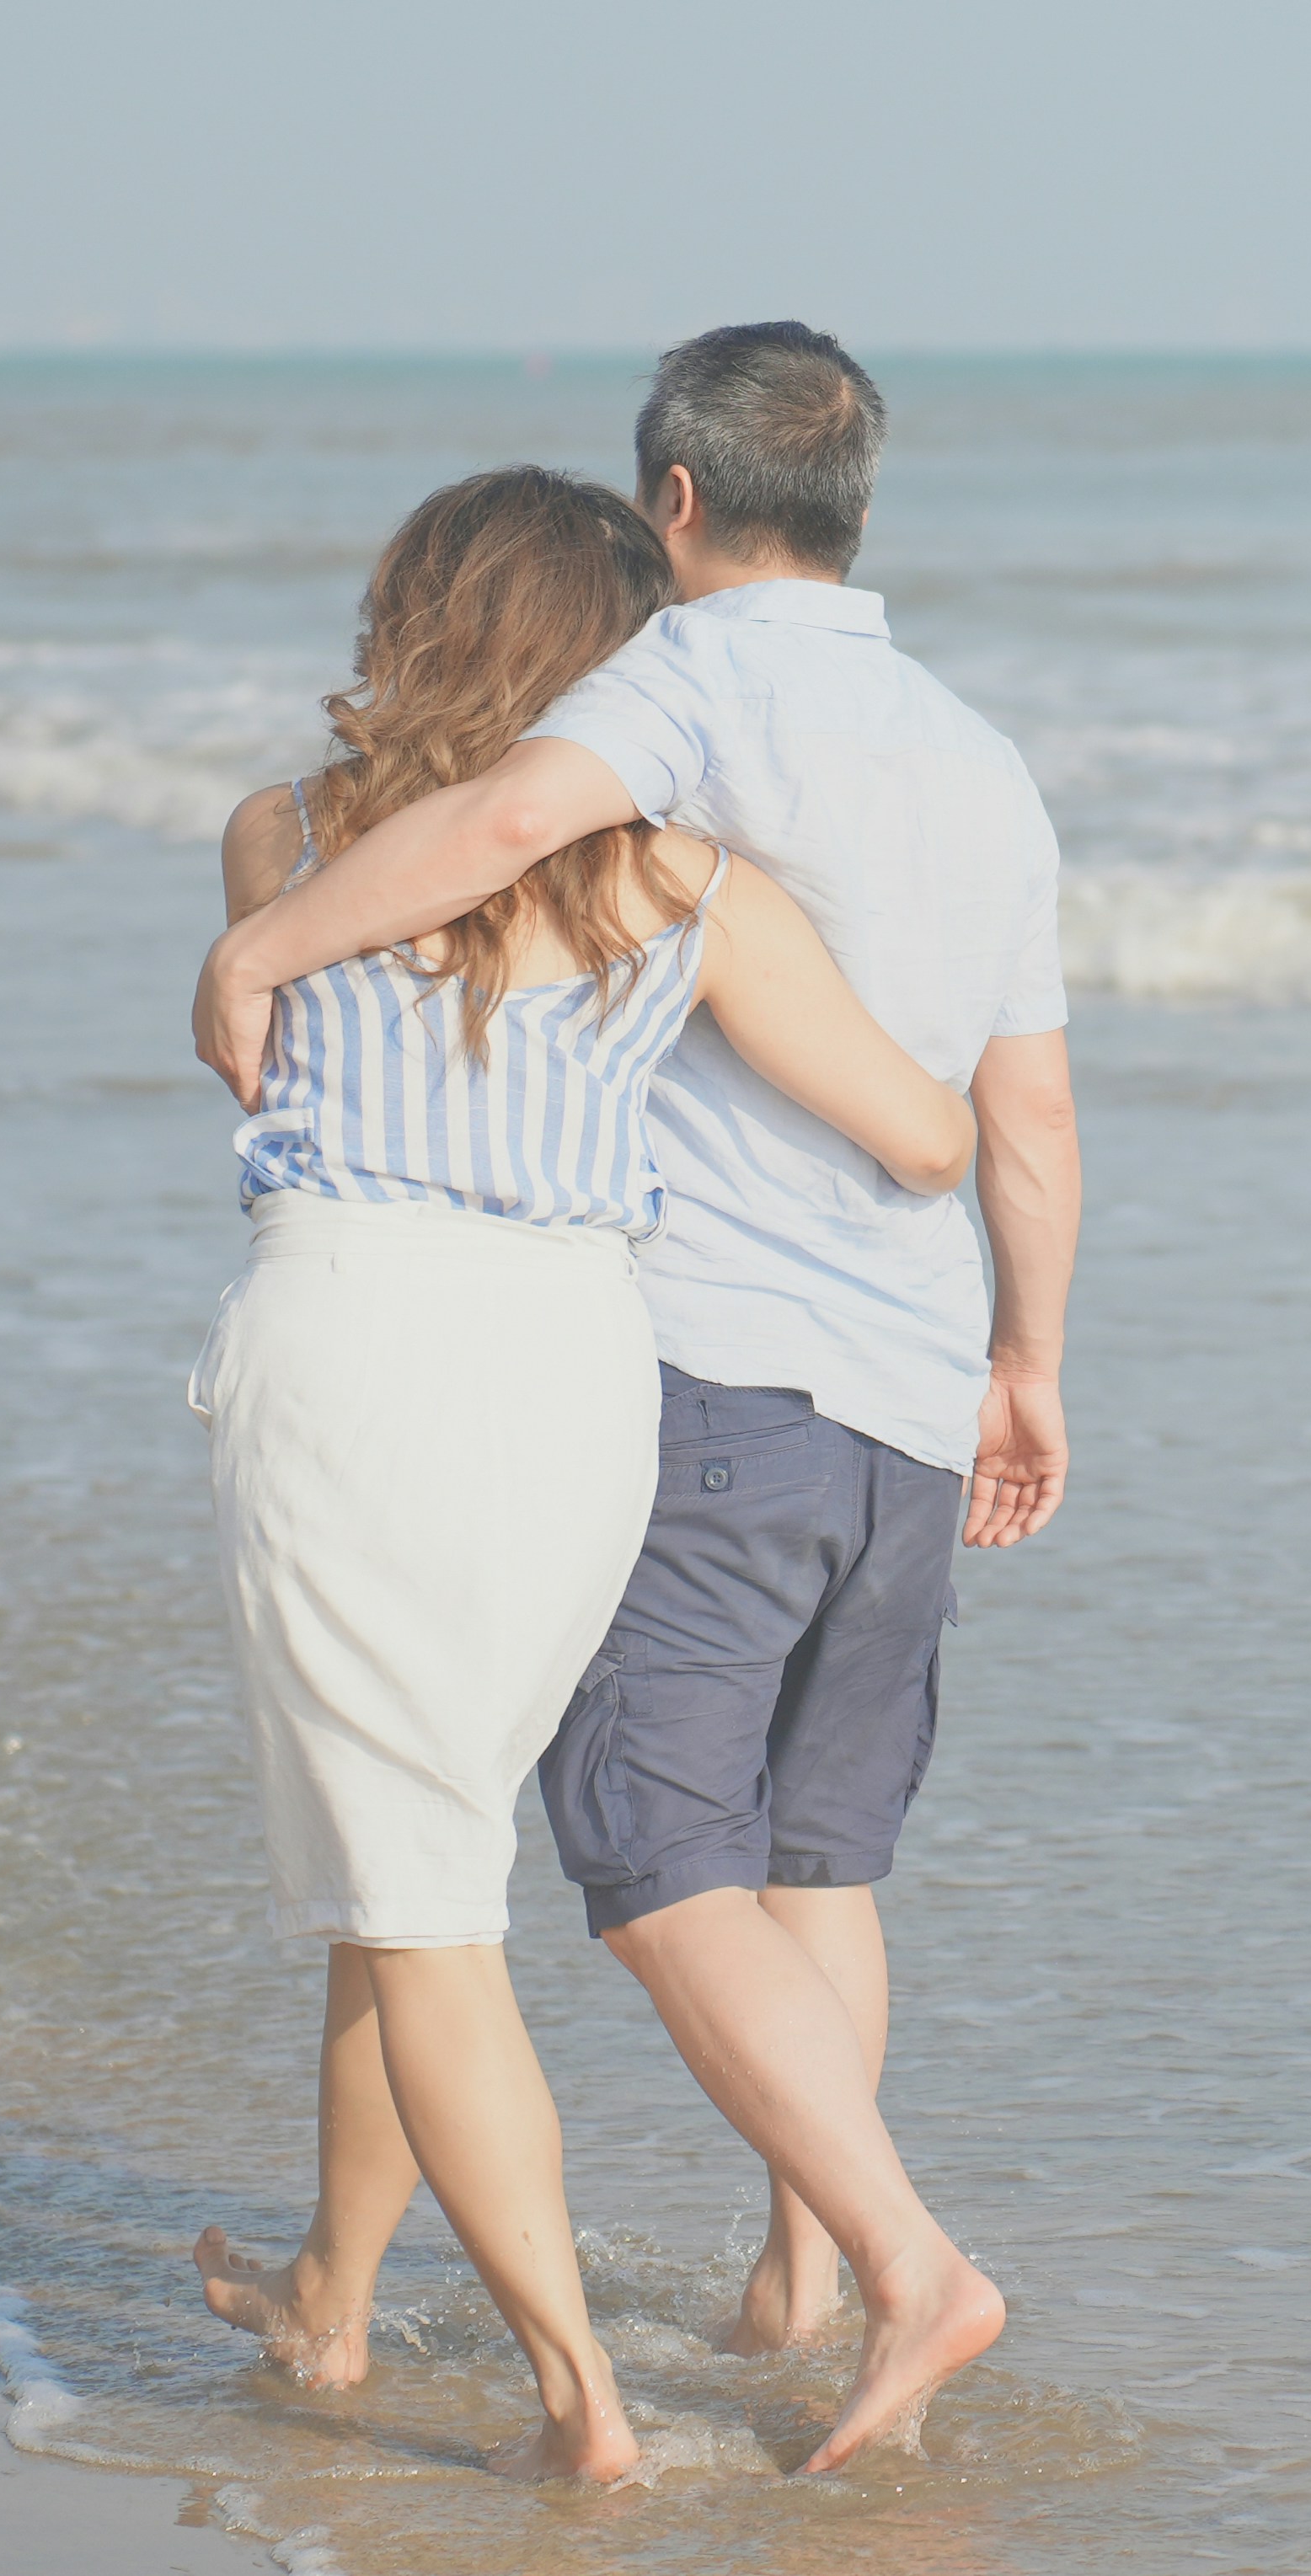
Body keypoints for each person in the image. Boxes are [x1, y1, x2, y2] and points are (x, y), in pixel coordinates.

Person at [195, 322, 1073, 2481]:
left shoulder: (358, 819)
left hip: (518, 1366)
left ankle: (721, 2326)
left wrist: (264, 947)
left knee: (490, 1877)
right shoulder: (821, 823)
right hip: (738, 1384)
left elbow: (465, 836)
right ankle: (403, 2287)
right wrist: (1014, 1343)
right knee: (622, 1858)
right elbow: (965, 1123)